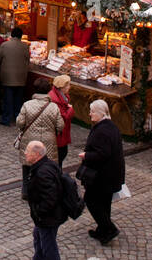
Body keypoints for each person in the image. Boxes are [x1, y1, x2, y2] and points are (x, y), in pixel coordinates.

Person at [78, 98, 125, 244]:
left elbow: (102, 154)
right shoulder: (110, 126)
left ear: (100, 113)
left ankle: (109, 228)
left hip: (103, 175)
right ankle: (102, 230)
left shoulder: (102, 131)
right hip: (111, 173)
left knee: (91, 200)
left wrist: (86, 155)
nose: (90, 114)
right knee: (104, 202)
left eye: (92, 112)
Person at [21, 141, 66, 260]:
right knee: (38, 238)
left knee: (48, 245)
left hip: (48, 217)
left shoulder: (43, 172)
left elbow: (50, 198)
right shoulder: (46, 165)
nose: (25, 153)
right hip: (47, 216)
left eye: (28, 151)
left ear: (37, 154)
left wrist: (39, 212)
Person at [15, 85, 64, 199]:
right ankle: (44, 190)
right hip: (48, 141)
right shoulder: (53, 107)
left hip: (29, 139)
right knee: (46, 166)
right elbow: (60, 125)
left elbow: (20, 122)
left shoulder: (27, 105)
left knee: (27, 165)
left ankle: (26, 191)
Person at [0, 26, 30, 127]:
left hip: (7, 76)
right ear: (21, 36)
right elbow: (28, 60)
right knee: (18, 99)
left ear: (12, 35)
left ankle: (6, 119)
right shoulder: (25, 46)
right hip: (21, 77)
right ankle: (17, 118)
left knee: (8, 99)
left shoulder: (4, 45)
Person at [48, 74, 74, 165]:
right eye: (68, 85)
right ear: (62, 87)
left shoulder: (63, 95)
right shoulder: (55, 99)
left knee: (62, 153)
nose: (69, 87)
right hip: (59, 133)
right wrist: (70, 109)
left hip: (62, 131)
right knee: (60, 154)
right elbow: (64, 116)